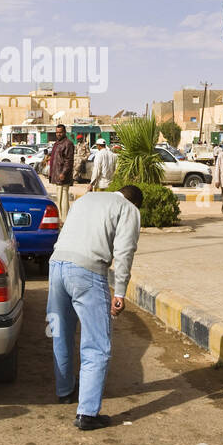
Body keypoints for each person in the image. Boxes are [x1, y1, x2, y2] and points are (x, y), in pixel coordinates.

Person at [47, 184, 143, 430]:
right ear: (135, 202)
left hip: (56, 264)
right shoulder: (128, 209)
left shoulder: (85, 198)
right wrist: (119, 292)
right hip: (87, 271)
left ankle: (65, 390)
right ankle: (87, 413)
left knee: (60, 332)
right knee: (97, 344)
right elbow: (124, 252)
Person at [47, 124, 75, 217]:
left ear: (64, 132)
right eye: (57, 132)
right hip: (57, 174)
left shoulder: (68, 143)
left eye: (60, 132)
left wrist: (63, 173)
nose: (58, 134)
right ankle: (60, 218)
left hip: (63, 175)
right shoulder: (57, 143)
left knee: (63, 198)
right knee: (59, 198)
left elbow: (69, 160)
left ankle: (64, 219)